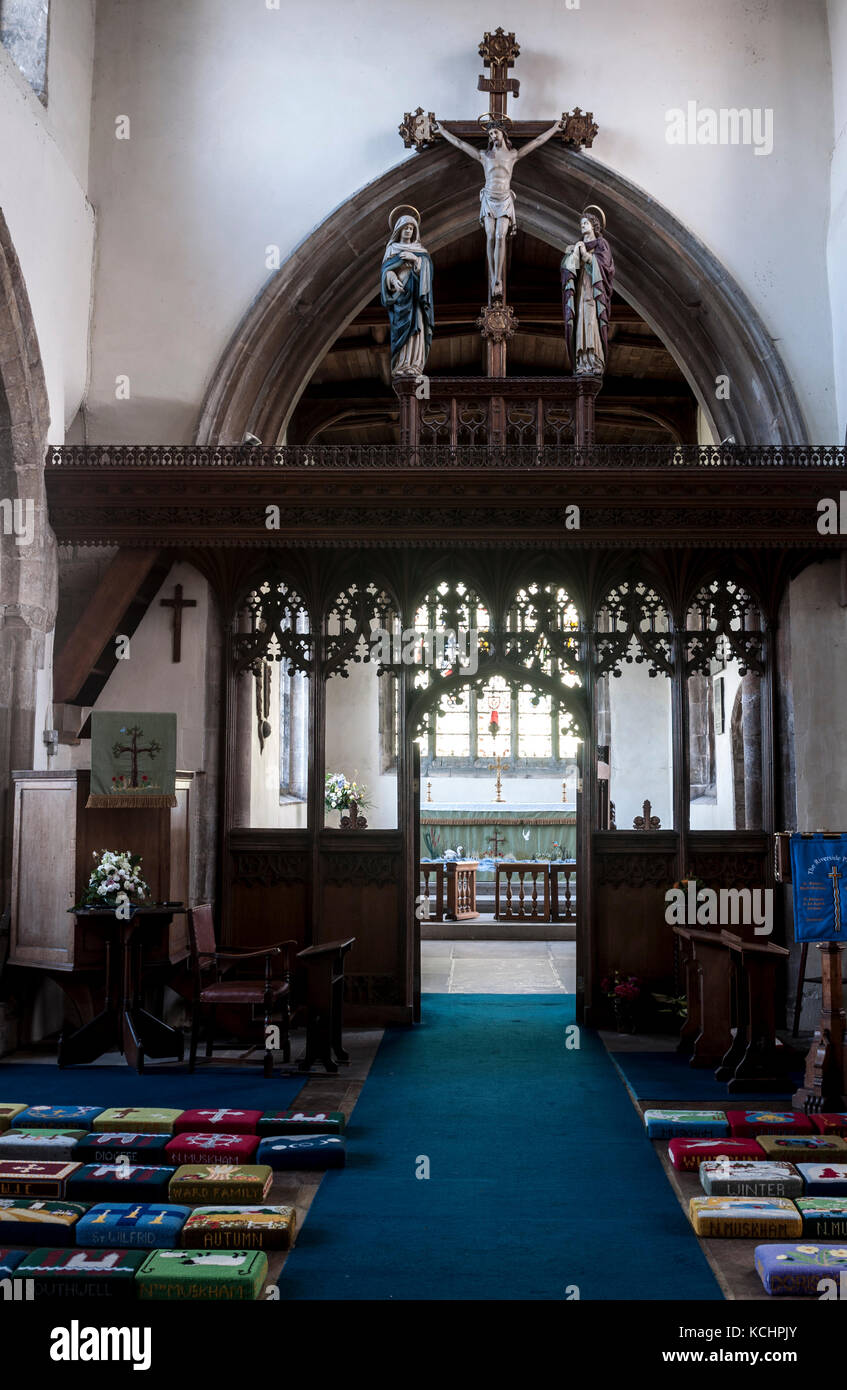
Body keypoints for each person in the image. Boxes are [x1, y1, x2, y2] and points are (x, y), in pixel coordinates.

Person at [433, 117, 563, 300]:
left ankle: (497, 279)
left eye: (495, 132)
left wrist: (554, 129)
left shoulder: (512, 155)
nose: (493, 135)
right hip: (489, 198)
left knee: (501, 236)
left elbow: (537, 142)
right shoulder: (484, 156)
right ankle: (493, 276)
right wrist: (443, 131)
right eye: (491, 133)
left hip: (504, 200)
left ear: (503, 133)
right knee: (490, 235)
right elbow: (460, 144)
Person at [380, 209, 434, 377]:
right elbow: (386, 271)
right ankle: (401, 363)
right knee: (401, 329)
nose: (409, 231)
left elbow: (427, 270)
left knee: (417, 327)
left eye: (411, 228)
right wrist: (393, 280)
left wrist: (415, 259)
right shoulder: (392, 249)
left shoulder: (420, 250)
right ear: (399, 230)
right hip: (400, 296)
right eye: (406, 228)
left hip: (415, 297)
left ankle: (414, 364)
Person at [561, 207, 615, 375]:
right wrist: (573, 255)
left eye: (586, 223)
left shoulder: (601, 244)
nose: (583, 226)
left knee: (591, 320)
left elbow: (606, 265)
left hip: (593, 290)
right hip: (580, 290)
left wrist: (586, 255)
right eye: (581, 224)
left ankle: (594, 358)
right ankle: (582, 359)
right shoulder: (578, 244)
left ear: (594, 225)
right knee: (581, 321)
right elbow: (568, 269)